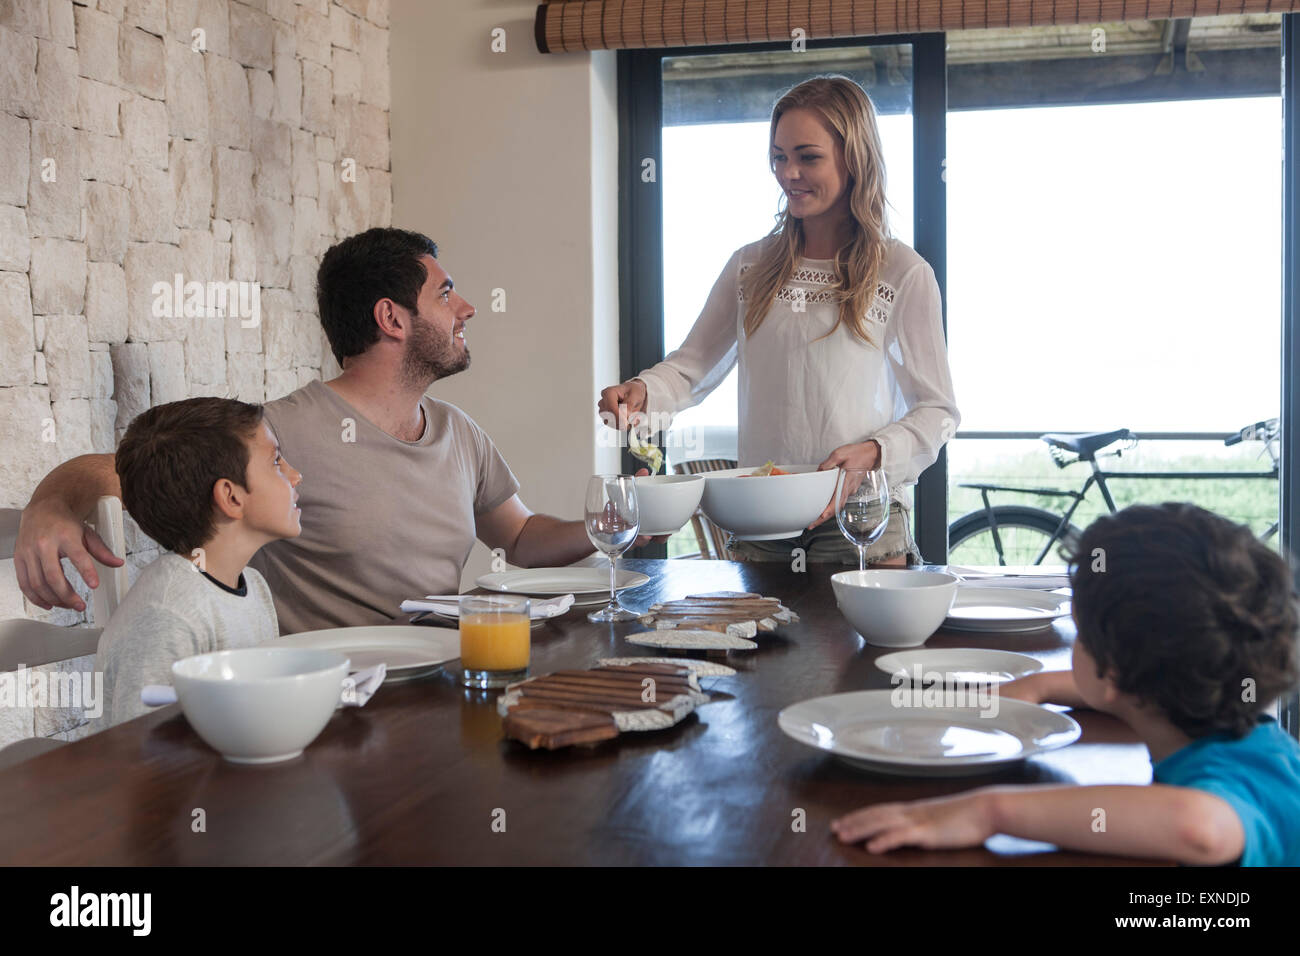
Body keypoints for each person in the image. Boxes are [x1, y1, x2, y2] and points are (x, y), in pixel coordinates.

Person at [15, 228, 644, 633]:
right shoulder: (278, 436)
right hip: (336, 709)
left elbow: (522, 537)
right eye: (446, 293)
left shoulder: (460, 433)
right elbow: (137, 463)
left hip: (445, 684)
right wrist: (50, 501)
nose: (467, 308)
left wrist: (617, 522)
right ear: (392, 318)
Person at [599, 75, 959, 566]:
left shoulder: (903, 272)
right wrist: (643, 391)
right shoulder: (750, 267)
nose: (789, 172)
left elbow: (937, 410)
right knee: (758, 643)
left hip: (859, 519)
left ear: (854, 158)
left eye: (808, 157)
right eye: (778, 156)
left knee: (865, 648)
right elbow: (690, 368)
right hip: (761, 521)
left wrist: (876, 450)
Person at [832, 503, 1300, 866]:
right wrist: (1041, 687)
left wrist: (989, 810)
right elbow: (1123, 685)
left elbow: (1200, 827)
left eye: (1081, 634)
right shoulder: (1248, 727)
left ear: (1113, 672)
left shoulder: (1222, 787)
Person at [94, 398, 299, 726]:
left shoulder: (253, 585)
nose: (295, 475)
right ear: (231, 497)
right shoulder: (168, 616)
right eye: (276, 462)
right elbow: (141, 750)